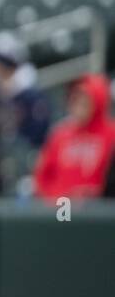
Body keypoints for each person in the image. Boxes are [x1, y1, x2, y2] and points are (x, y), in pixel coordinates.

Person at [33, 75, 115, 203]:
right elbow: (42, 175)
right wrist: (53, 199)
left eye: (85, 103)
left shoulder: (111, 134)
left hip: (97, 210)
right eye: (75, 101)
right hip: (60, 209)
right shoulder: (60, 133)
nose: (79, 108)